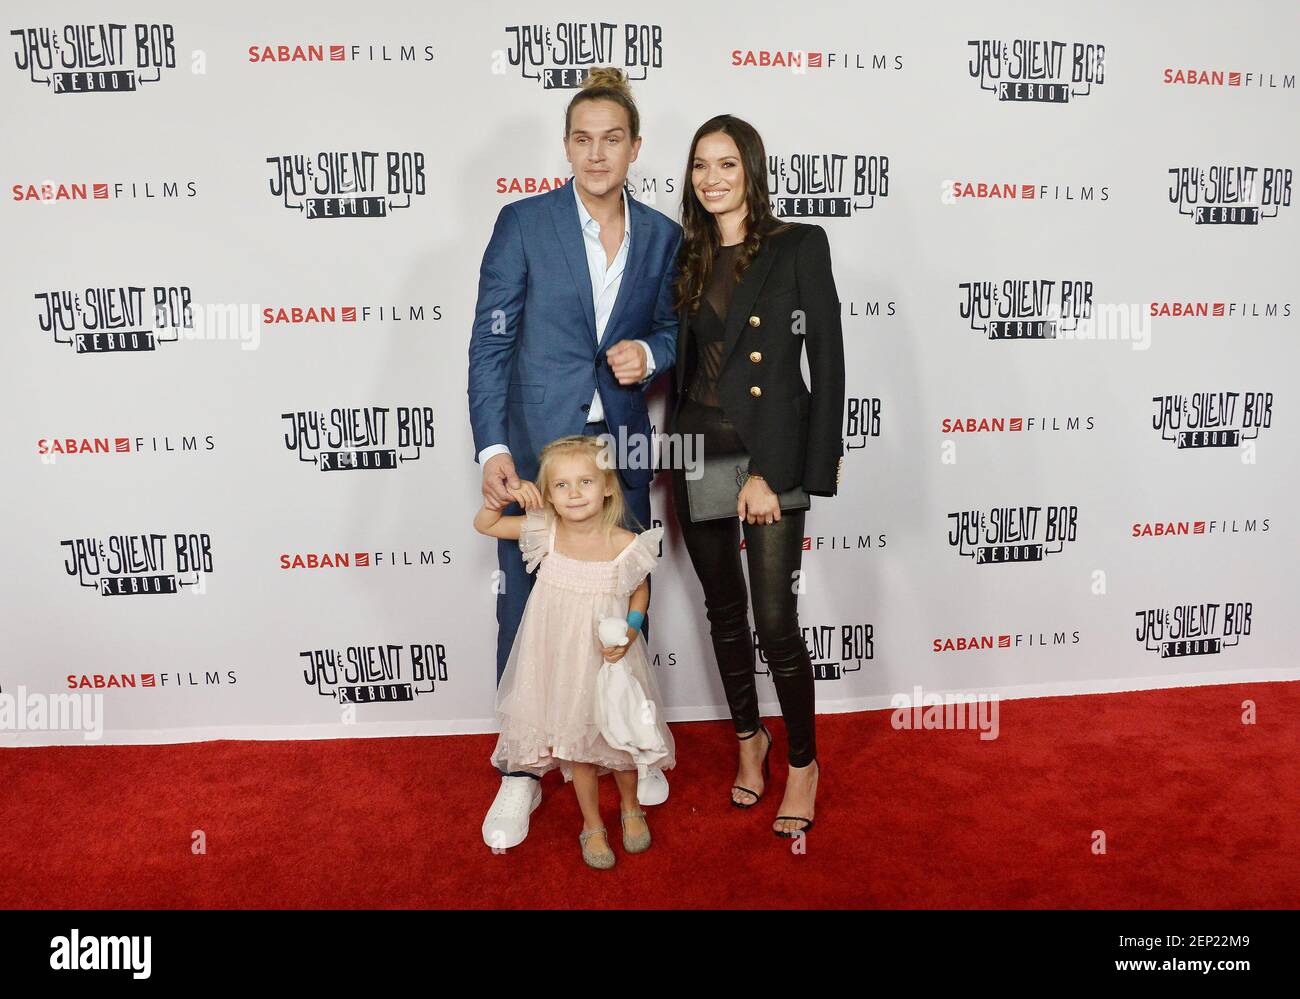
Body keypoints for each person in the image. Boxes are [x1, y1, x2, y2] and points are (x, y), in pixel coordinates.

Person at [468, 67, 681, 848]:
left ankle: (628, 738)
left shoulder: (662, 233)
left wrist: (650, 352)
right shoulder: (524, 222)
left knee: (624, 600)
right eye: (583, 139)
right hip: (540, 453)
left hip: (621, 449)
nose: (597, 154)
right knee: (526, 609)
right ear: (566, 145)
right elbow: (490, 343)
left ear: (634, 147)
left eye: (612, 139)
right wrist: (493, 444)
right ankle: (522, 771)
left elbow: (674, 328)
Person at [666, 114, 845, 837]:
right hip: (697, 446)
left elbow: (826, 367)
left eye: (727, 165)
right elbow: (678, 364)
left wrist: (780, 472)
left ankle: (803, 759)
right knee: (722, 611)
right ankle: (751, 739)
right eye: (701, 166)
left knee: (775, 619)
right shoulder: (686, 254)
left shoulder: (799, 244)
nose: (712, 178)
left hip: (769, 453)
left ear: (752, 171)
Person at [474, 435, 674, 869]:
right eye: (561, 485)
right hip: (559, 660)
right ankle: (591, 824)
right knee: (577, 747)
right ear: (547, 495)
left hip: (608, 661)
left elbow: (640, 593)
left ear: (606, 487)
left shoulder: (624, 542)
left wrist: (632, 631)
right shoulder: (544, 532)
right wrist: (502, 495)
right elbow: (485, 525)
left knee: (619, 744)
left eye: (585, 481)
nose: (574, 493)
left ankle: (630, 809)